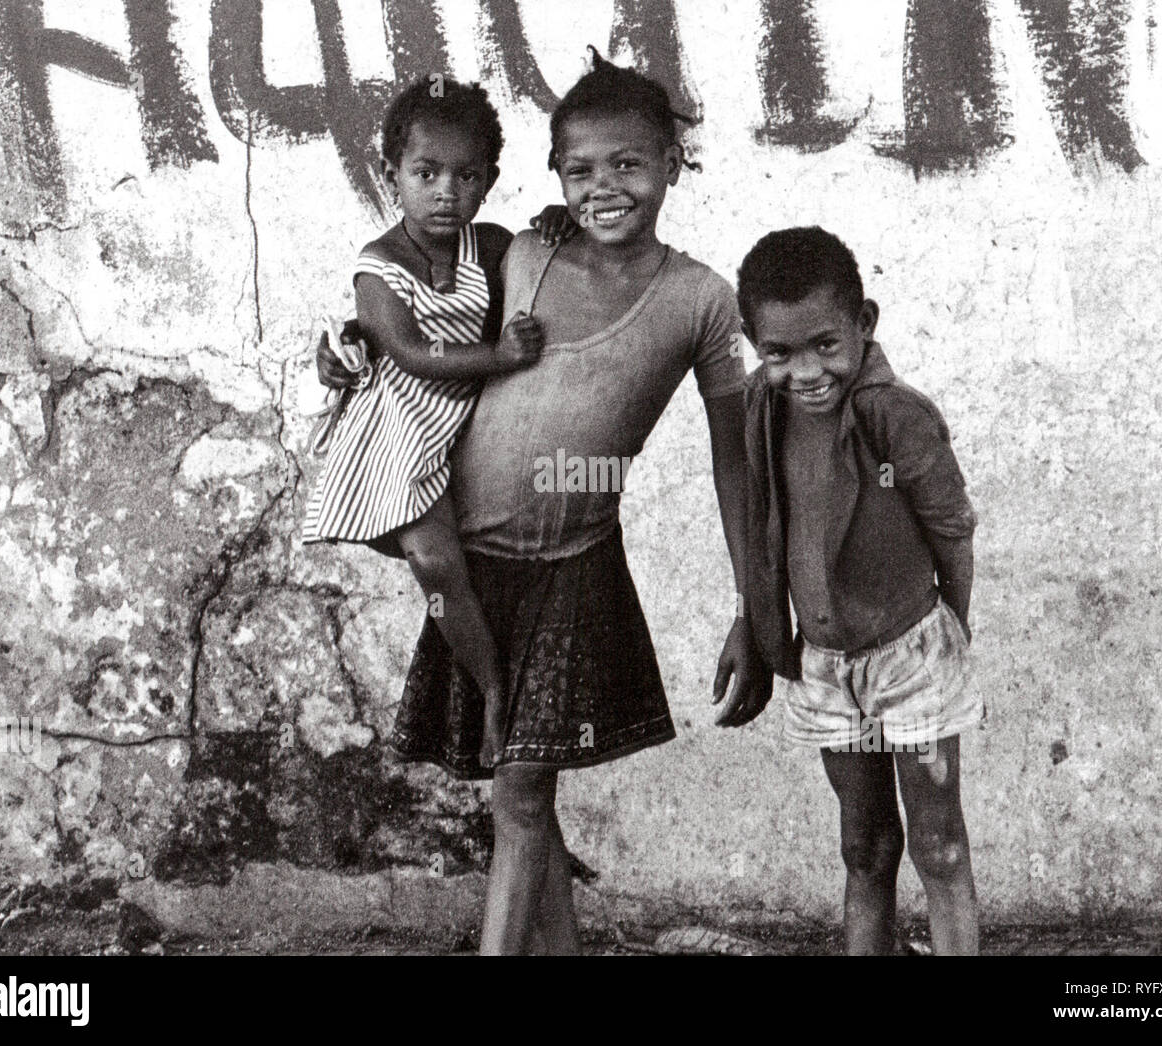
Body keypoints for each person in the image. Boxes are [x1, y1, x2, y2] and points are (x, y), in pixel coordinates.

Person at [356, 49, 772, 954]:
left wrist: (752, 606)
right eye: (579, 169)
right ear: (553, 176)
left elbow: (732, 461)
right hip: (472, 562)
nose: (603, 188)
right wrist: (344, 345)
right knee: (525, 792)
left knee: (521, 790)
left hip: (572, 568)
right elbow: (413, 304)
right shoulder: (523, 249)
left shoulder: (702, 301)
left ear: (673, 164)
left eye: (628, 164)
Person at [303, 76, 571, 768]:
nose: (445, 192)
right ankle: (492, 687)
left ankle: (492, 672)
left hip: (471, 425)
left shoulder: (487, 244)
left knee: (483, 563)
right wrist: (502, 356)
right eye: (426, 173)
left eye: (465, 175)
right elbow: (412, 353)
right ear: (391, 175)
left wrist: (551, 227)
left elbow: (539, 270)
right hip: (404, 428)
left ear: (487, 181)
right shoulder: (381, 264)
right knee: (434, 561)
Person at [737, 226, 982, 954]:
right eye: (779, 353)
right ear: (755, 345)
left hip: (912, 655)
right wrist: (753, 625)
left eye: (824, 345)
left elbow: (953, 530)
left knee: (938, 844)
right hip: (824, 665)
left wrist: (952, 630)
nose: (806, 372)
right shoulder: (762, 407)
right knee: (864, 847)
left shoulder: (894, 415)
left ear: (864, 324)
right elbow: (763, 522)